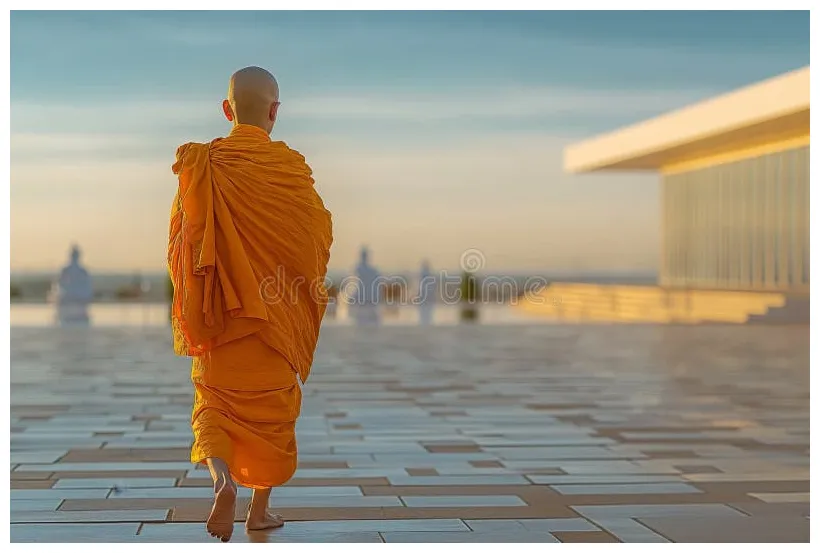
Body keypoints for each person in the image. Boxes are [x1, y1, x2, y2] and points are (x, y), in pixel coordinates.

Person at [167, 66, 333, 542]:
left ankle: (222, 481)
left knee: (214, 409)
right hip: (275, 323)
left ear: (226, 110)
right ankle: (258, 513)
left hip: (221, 319)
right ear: (275, 111)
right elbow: (313, 240)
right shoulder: (292, 173)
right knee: (272, 418)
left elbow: (185, 244)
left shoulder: (204, 167)